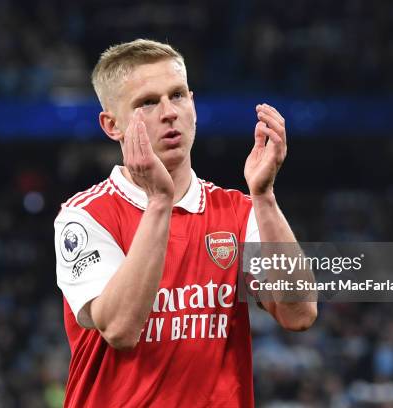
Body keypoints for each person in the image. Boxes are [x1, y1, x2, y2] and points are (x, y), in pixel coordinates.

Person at [54, 39, 317, 407]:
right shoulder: (84, 216)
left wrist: (265, 197)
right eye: (147, 102)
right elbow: (120, 328)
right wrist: (160, 202)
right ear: (112, 125)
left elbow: (299, 312)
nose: (168, 112)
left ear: (192, 102)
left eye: (177, 95)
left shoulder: (238, 212)